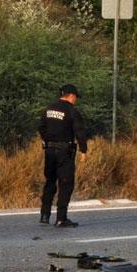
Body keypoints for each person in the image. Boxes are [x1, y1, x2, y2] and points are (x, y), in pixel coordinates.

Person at [38, 84, 87, 228]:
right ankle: (61, 218)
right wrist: (84, 150)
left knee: (50, 182)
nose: (76, 100)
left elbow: (41, 127)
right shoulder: (72, 111)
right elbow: (80, 132)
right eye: (76, 97)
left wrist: (47, 139)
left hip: (49, 151)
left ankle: (45, 215)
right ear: (71, 96)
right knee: (65, 184)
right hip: (65, 153)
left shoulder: (49, 108)